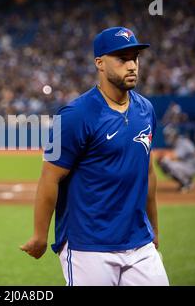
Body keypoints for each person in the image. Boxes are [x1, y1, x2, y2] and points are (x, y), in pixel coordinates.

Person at [20, 27, 169, 286]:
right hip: (88, 246)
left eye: (135, 58)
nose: (132, 65)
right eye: (122, 59)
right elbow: (49, 178)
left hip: (139, 244)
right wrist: (39, 235)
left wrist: (153, 229)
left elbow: (147, 174)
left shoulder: (145, 109)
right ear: (99, 63)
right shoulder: (74, 116)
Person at [157, 125, 195, 193]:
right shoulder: (178, 141)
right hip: (187, 165)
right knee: (164, 163)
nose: (167, 137)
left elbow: (175, 156)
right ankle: (185, 181)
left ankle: (187, 183)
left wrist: (163, 156)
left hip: (191, 167)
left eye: (168, 135)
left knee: (165, 161)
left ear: (173, 134)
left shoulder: (182, 142)